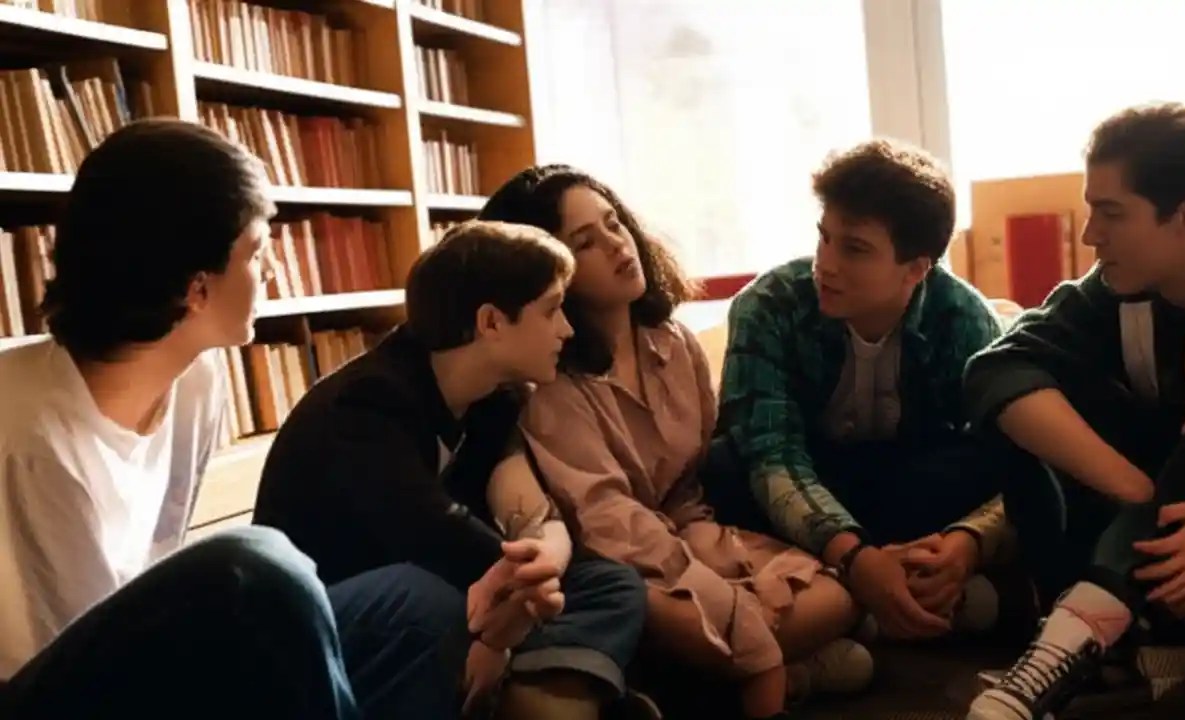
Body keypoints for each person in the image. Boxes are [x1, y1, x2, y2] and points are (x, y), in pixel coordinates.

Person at [0, 120, 458, 719]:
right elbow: (64, 654)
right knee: (255, 566)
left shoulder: (198, 380)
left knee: (416, 602)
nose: (272, 271)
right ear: (196, 288)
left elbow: (157, 562)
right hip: (47, 688)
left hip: (140, 657)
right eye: (257, 252)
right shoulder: (28, 432)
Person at [479, 164, 872, 720]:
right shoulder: (550, 380)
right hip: (623, 565)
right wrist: (725, 603)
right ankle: (761, 671)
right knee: (719, 625)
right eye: (585, 242)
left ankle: (729, 680)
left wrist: (720, 569)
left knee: (838, 598)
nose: (616, 245)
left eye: (614, 223)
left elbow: (693, 484)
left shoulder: (674, 341)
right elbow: (607, 521)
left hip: (689, 528)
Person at [253, 220, 650, 720]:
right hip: (328, 617)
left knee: (612, 582)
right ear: (491, 322)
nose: (566, 329)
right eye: (552, 310)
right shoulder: (367, 404)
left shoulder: (493, 397)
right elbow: (436, 538)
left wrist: (534, 575)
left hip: (451, 585)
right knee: (426, 598)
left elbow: (534, 514)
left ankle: (531, 694)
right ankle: (541, 688)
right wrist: (503, 623)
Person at [965, 102, 1185, 720]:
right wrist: (1142, 497)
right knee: (1030, 404)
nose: (1089, 236)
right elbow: (995, 369)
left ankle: (1069, 646)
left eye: (1111, 214)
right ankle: (1086, 643)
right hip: (1175, 545)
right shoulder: (1124, 285)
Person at [710, 139, 1015, 645]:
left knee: (980, 465)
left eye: (854, 249)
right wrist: (855, 556)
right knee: (724, 467)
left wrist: (968, 543)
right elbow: (772, 455)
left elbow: (1014, 460)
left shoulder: (962, 317)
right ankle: (880, 596)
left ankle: (886, 592)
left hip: (905, 484)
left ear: (916, 269)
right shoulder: (769, 305)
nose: (825, 264)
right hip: (810, 480)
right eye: (823, 238)